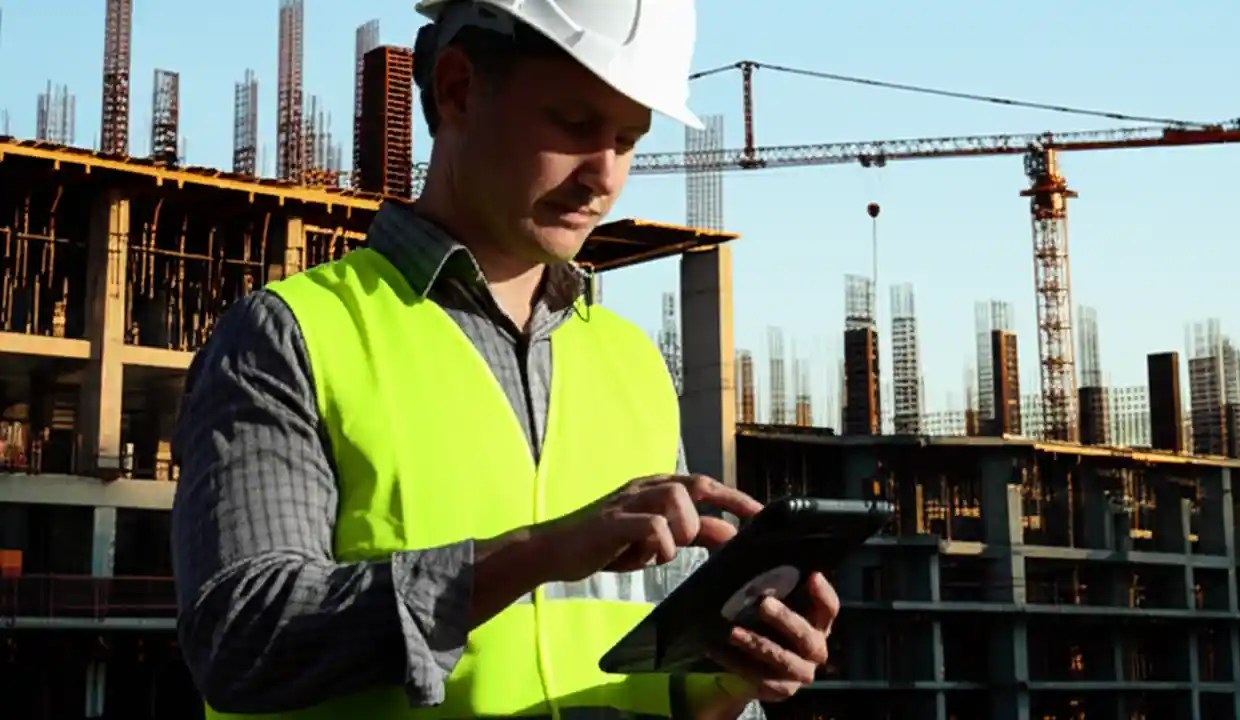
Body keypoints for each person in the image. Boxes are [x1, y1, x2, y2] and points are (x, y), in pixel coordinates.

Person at [170, 1, 840, 718]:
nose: (604, 176)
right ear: (457, 89)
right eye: (575, 125)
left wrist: (733, 684)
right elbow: (244, 640)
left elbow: (662, 687)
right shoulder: (293, 336)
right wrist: (539, 552)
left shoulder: (633, 364)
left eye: (629, 139)